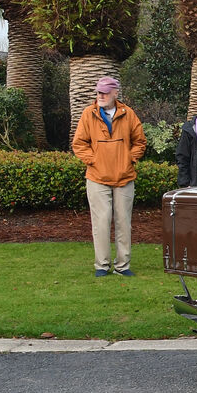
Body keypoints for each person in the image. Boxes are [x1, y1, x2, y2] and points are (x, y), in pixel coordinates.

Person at [71, 76, 146, 277]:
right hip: (97, 178)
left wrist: (129, 159)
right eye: (98, 92)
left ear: (115, 93)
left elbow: (140, 142)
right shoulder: (88, 114)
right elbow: (79, 144)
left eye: (105, 92)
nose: (101, 95)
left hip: (125, 178)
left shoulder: (128, 114)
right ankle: (102, 266)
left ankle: (123, 266)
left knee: (124, 222)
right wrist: (94, 160)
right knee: (101, 222)